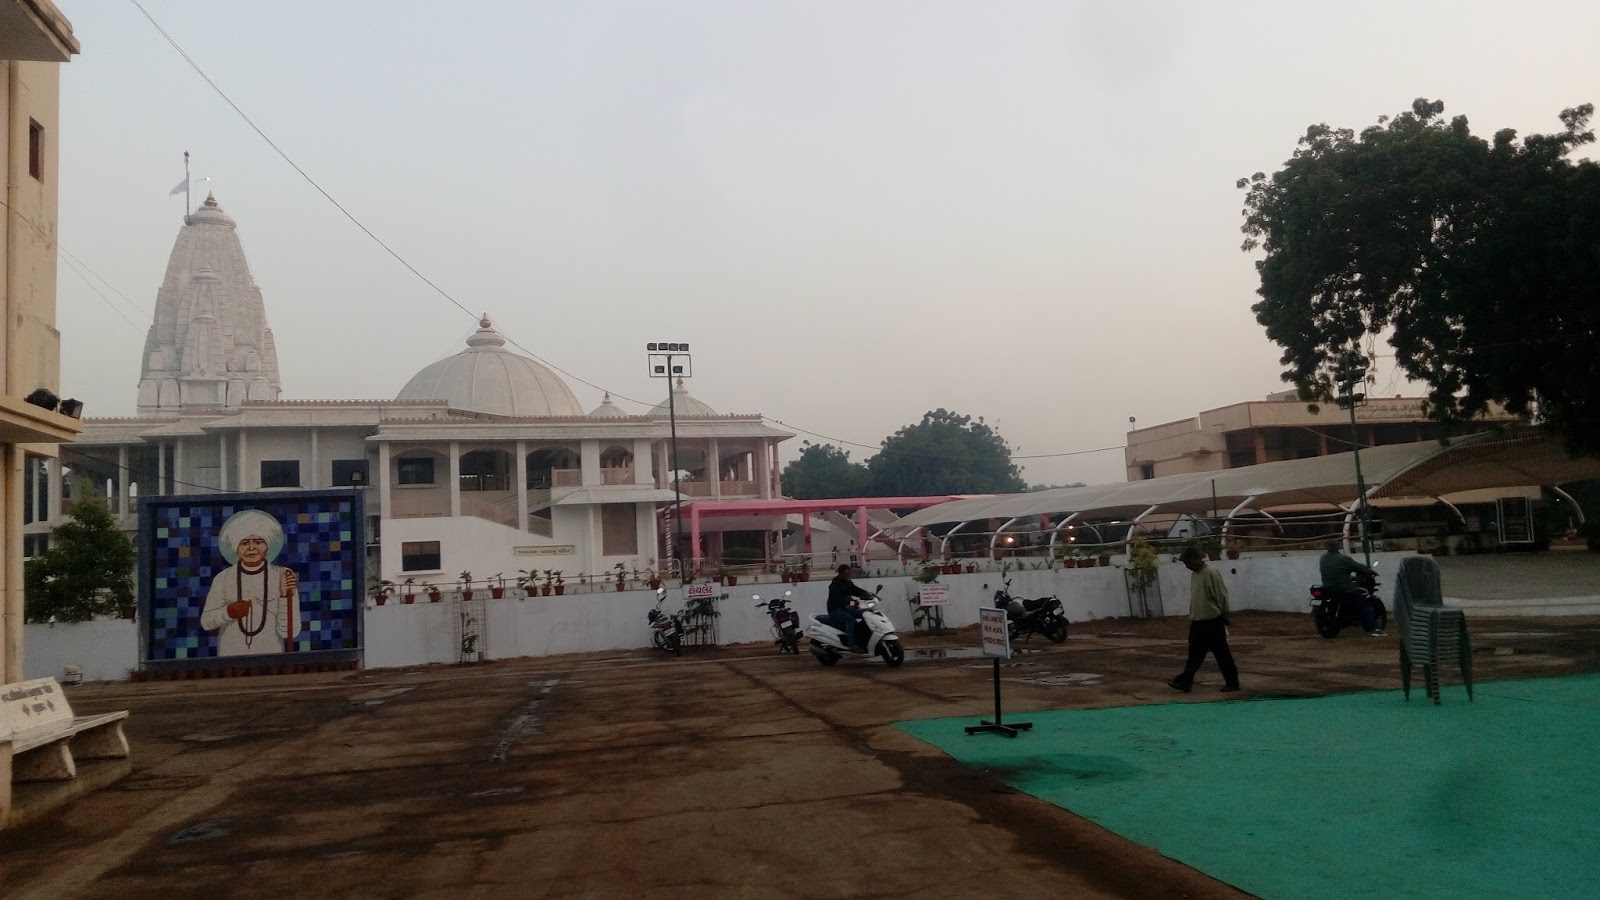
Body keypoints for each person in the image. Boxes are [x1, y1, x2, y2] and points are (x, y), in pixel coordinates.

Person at [200, 509, 301, 656]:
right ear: (236, 548)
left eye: (259, 542)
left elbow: (291, 631)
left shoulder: (283, 575)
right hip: (230, 658)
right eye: (245, 543)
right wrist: (228, 612)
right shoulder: (223, 578)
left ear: (267, 546)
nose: (252, 548)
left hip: (271, 657)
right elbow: (206, 622)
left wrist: (285, 597)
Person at [1169, 546, 1240, 693]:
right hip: (1198, 621)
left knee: (1221, 654)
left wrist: (1225, 614)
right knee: (1195, 654)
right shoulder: (1195, 575)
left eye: (1187, 562)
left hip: (1212, 621)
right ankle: (1185, 680)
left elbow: (1221, 595)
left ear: (1196, 559)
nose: (1186, 566)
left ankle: (1232, 682)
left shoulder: (1211, 573)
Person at [1320, 540, 1384, 636]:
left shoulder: (1323, 558)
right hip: (1344, 589)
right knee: (1364, 606)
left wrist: (1350, 577)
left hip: (1327, 587)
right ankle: (1373, 629)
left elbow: (1336, 572)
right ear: (1337, 547)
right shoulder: (1343, 559)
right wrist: (1370, 571)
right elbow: (1358, 567)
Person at [826, 564, 873, 649]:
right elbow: (838, 600)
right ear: (840, 574)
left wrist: (868, 595)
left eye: (849, 573)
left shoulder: (848, 583)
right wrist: (850, 603)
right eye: (846, 573)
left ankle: (865, 638)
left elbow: (857, 590)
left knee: (866, 613)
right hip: (835, 611)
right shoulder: (834, 585)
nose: (849, 575)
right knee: (850, 618)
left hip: (847, 609)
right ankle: (852, 644)